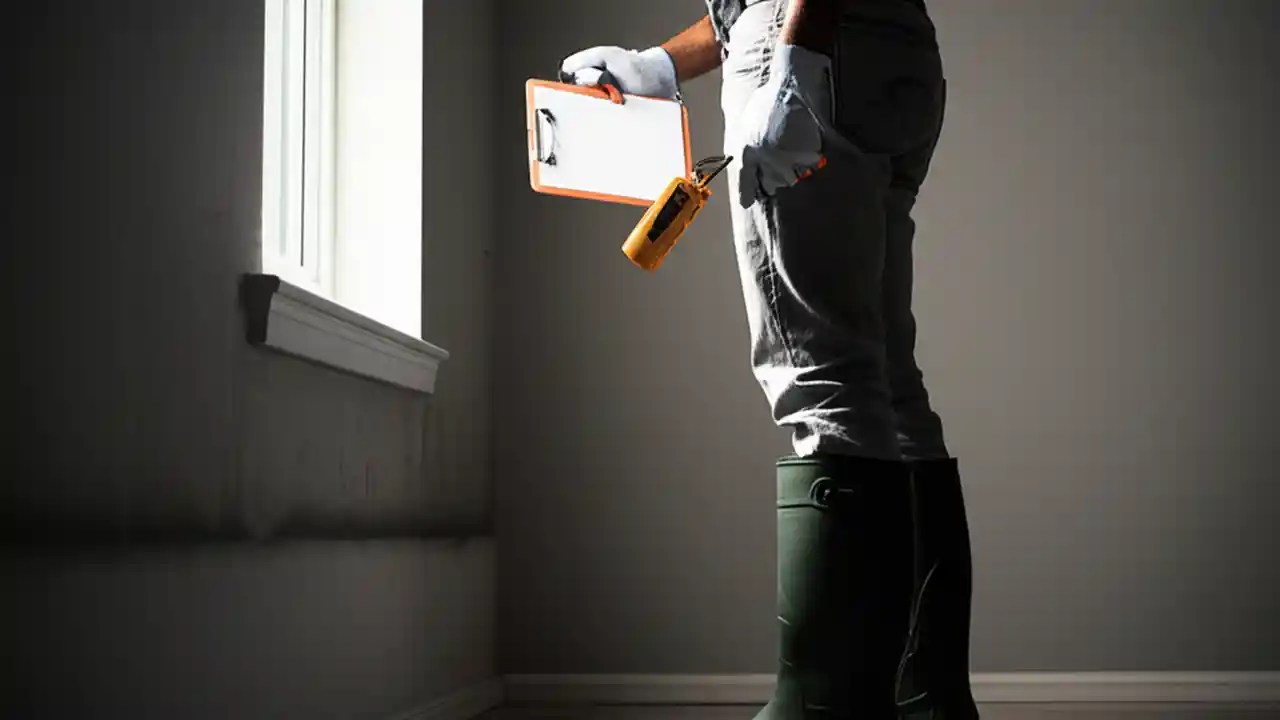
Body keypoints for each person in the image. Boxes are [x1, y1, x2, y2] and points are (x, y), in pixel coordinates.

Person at [561, 1, 978, 718]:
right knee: (885, 383)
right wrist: (663, 64)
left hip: (814, 42)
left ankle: (825, 707)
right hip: (888, 46)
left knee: (826, 381)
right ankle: (925, 700)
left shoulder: (804, 48)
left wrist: (796, 60)